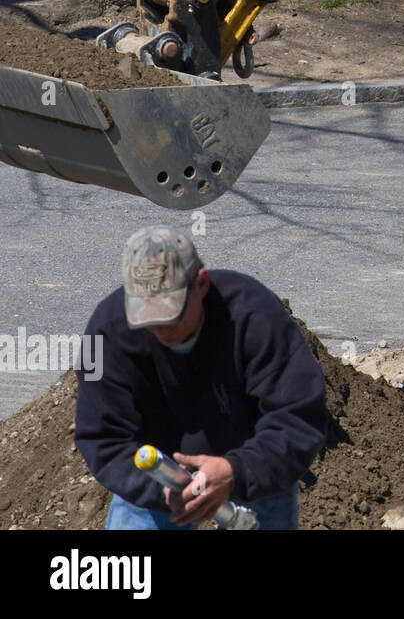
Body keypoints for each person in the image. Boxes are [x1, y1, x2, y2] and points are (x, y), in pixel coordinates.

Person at [75, 226, 328, 528]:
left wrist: (235, 471)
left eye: (170, 313)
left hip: (252, 466)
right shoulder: (104, 332)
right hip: (161, 482)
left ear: (201, 283)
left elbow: (298, 416)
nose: (160, 329)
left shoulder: (255, 313)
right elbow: (101, 436)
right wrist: (168, 486)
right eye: (147, 316)